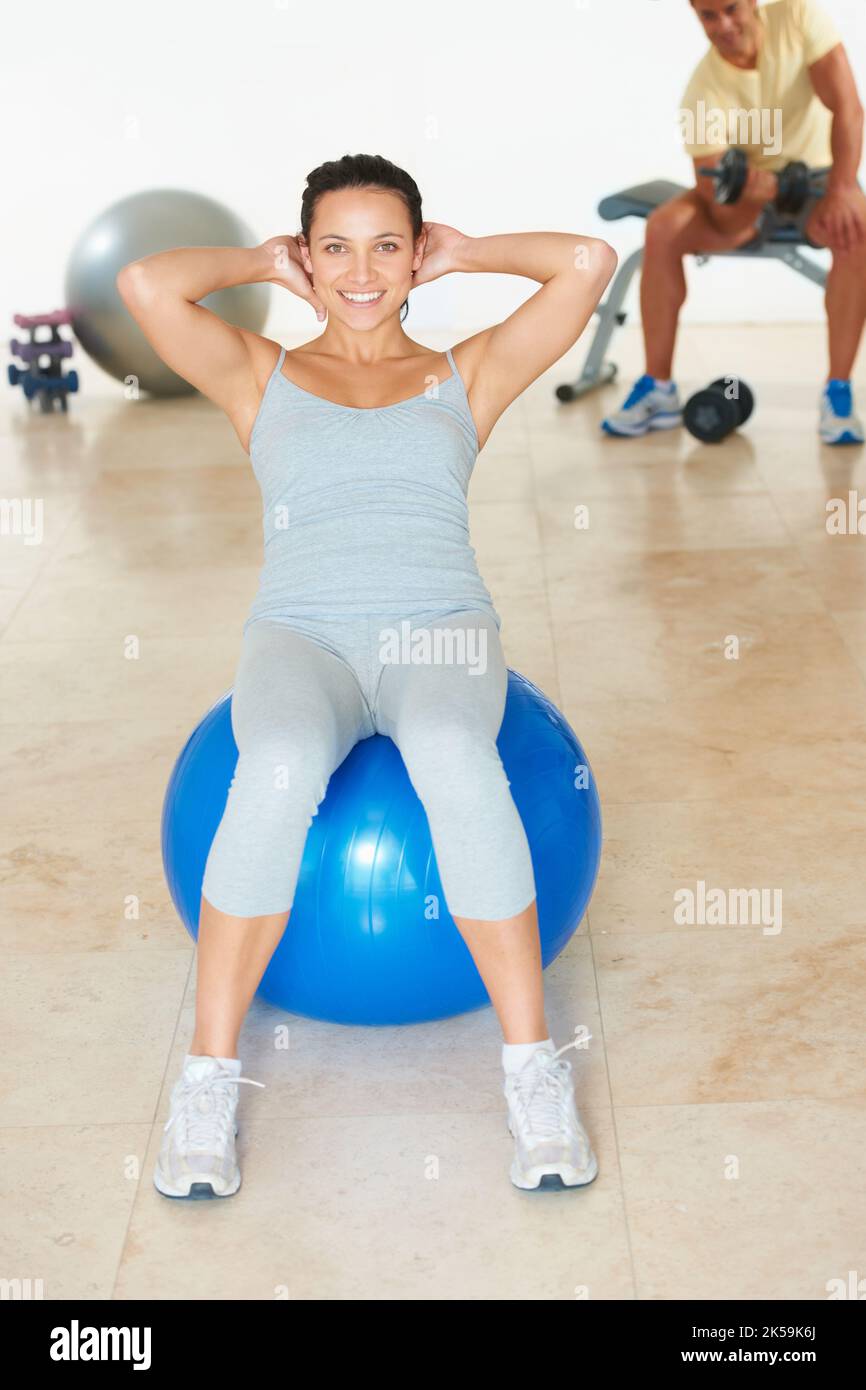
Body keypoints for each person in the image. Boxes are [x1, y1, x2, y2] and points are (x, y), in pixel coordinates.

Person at [116, 153, 617, 1198]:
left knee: (446, 747)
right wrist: (259, 260)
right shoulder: (259, 374)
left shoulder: (464, 373)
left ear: (413, 252)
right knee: (281, 758)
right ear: (305, 255)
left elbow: (586, 261)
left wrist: (468, 254)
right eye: (333, 245)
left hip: (439, 630)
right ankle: (206, 1086)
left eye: (386, 244)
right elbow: (146, 286)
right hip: (301, 635)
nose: (360, 269)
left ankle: (532, 1075)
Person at [602, 0, 866, 444]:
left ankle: (838, 393)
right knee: (663, 227)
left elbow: (847, 106)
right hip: (745, 192)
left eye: (731, 8)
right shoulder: (702, 92)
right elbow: (718, 205)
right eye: (708, 15)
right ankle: (659, 389)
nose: (723, 24)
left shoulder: (798, 17)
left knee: (858, 231)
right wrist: (751, 197)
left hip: (821, 178)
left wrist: (842, 189)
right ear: (694, 13)